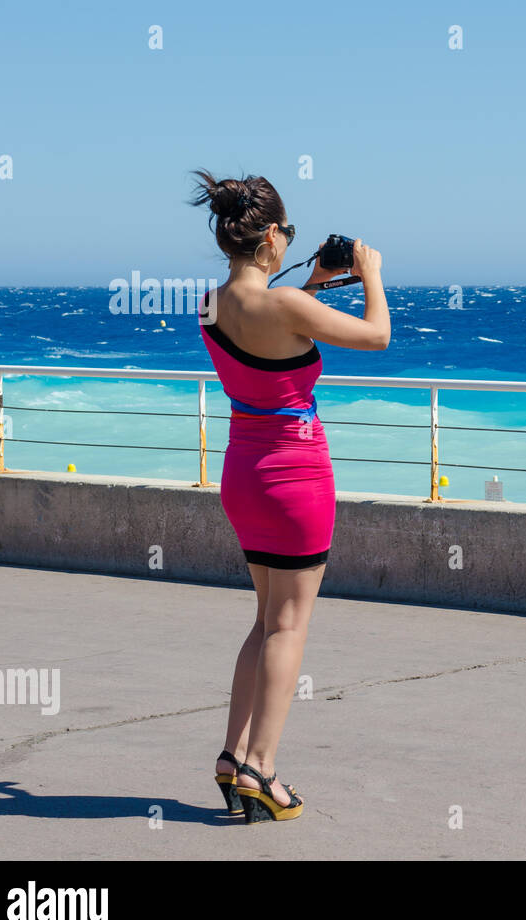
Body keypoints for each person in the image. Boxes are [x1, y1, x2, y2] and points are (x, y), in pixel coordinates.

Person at [188, 169, 390, 821]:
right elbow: (377, 335)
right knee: (289, 625)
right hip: (296, 477)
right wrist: (370, 273)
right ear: (272, 236)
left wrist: (313, 284)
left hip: (243, 474)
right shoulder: (284, 307)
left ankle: (232, 756)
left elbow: (272, 329)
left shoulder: (209, 304)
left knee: (265, 620)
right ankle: (262, 768)